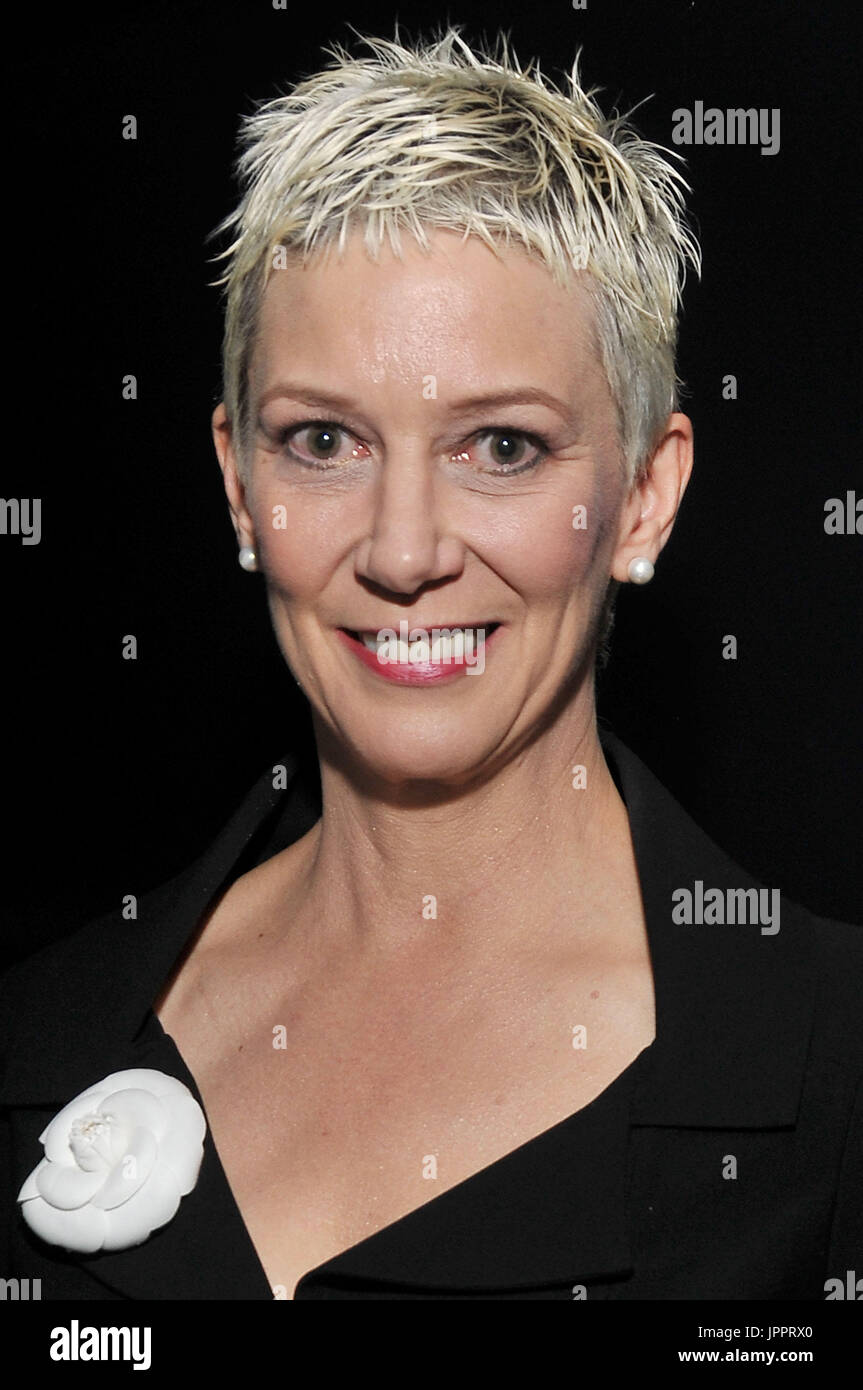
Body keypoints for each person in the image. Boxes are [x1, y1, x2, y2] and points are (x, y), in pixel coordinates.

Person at [1, 28, 860, 1302]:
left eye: (501, 447)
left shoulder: (832, 1075)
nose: (402, 551)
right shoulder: (38, 1026)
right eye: (324, 440)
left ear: (641, 498)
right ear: (239, 484)